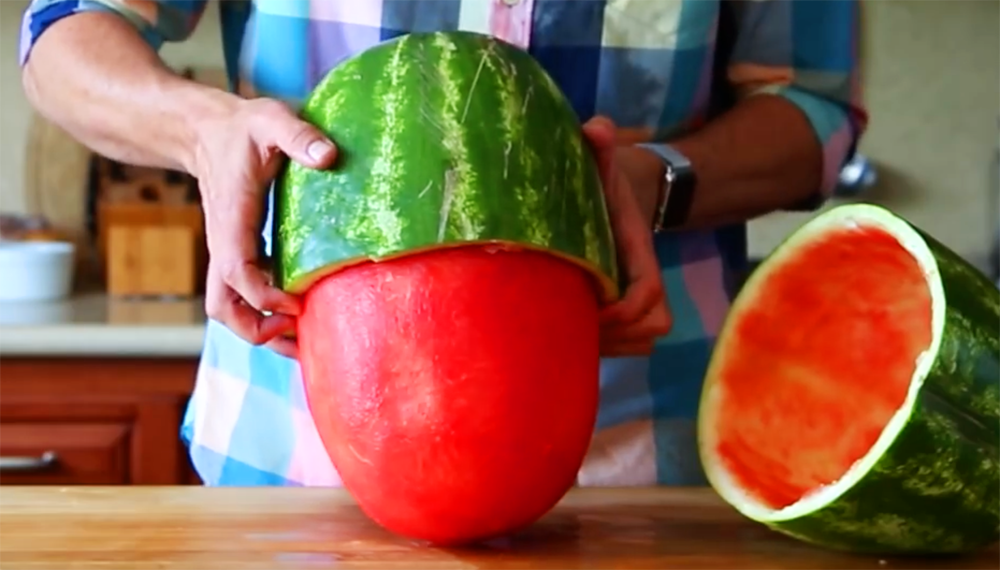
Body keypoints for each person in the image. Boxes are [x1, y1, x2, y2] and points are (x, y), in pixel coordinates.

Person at [20, 0, 866, 487]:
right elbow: (63, 28)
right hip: (290, 459)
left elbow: (815, 112)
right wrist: (205, 129)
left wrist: (658, 180)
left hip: (647, 460)